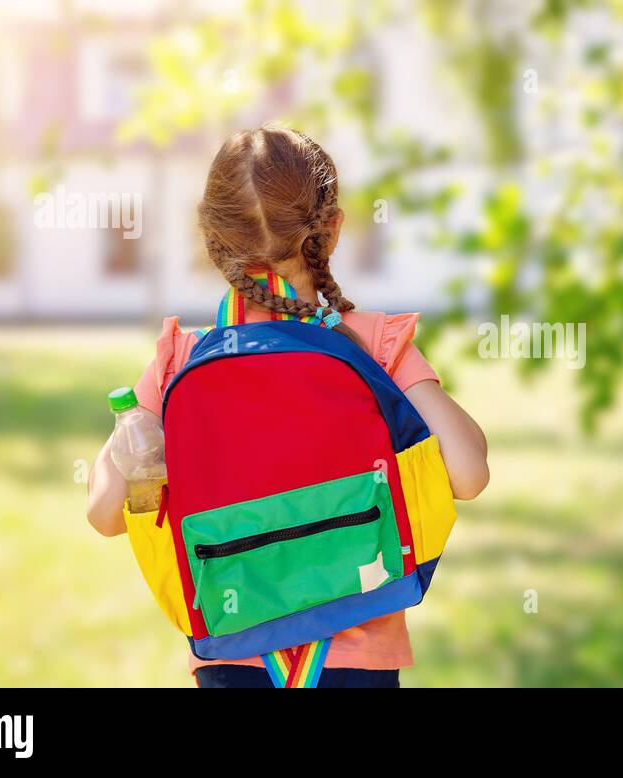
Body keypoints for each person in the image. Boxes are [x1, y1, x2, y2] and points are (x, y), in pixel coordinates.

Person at [86, 124, 489, 688]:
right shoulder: (374, 344)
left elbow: (105, 512)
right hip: (356, 660)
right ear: (332, 229)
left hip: (233, 655)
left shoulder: (178, 360)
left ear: (214, 238)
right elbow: (468, 474)